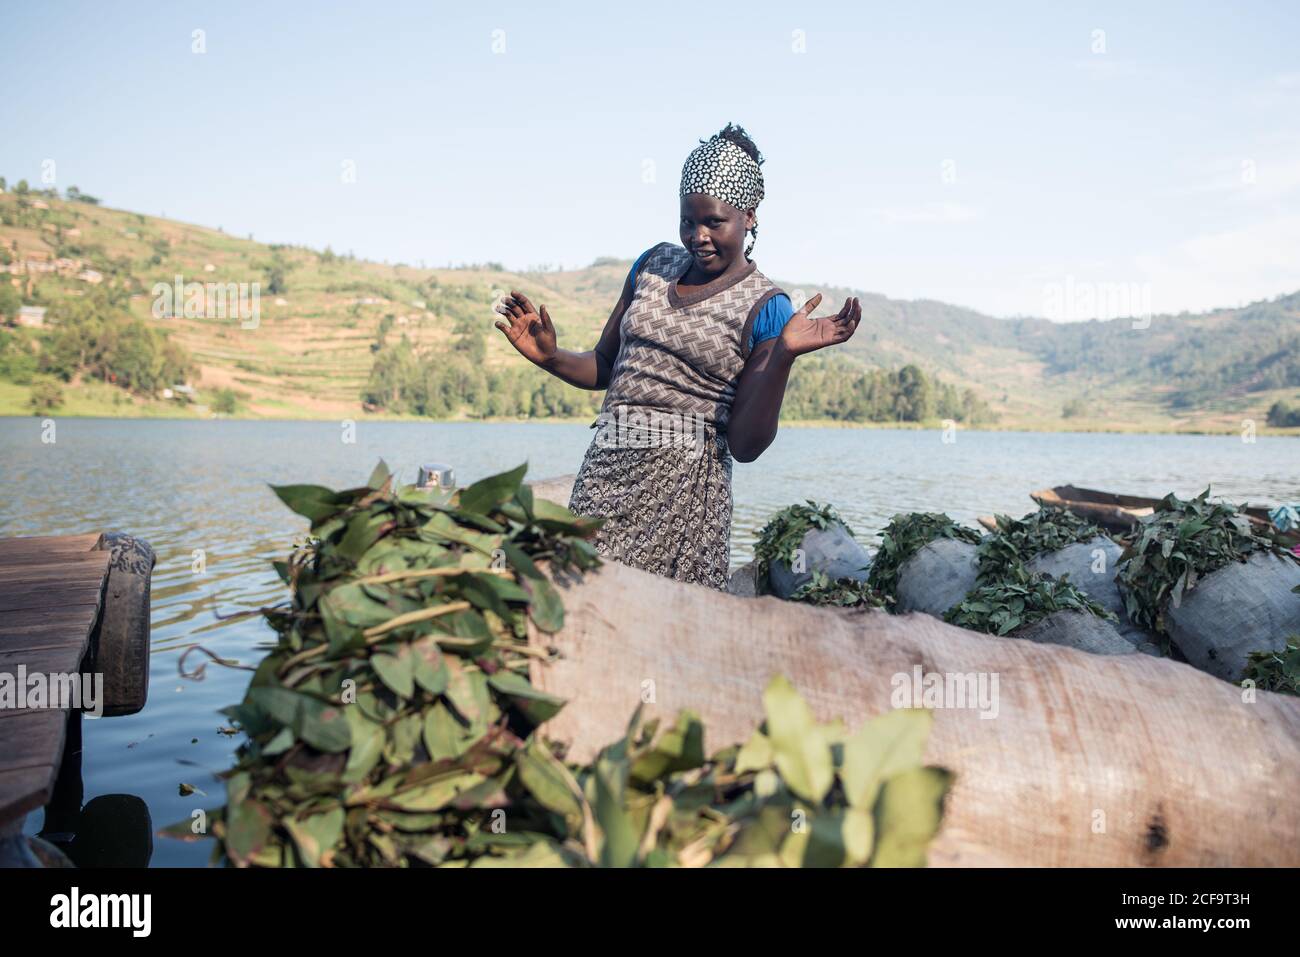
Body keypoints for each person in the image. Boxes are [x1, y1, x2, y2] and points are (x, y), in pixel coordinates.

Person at [495, 123, 861, 590]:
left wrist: (784, 355)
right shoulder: (652, 266)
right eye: (689, 220)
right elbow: (606, 367)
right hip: (605, 476)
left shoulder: (767, 307)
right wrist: (550, 357)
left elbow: (747, 446)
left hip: (683, 502)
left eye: (715, 222)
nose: (698, 236)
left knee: (662, 635)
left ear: (749, 217)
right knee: (583, 606)